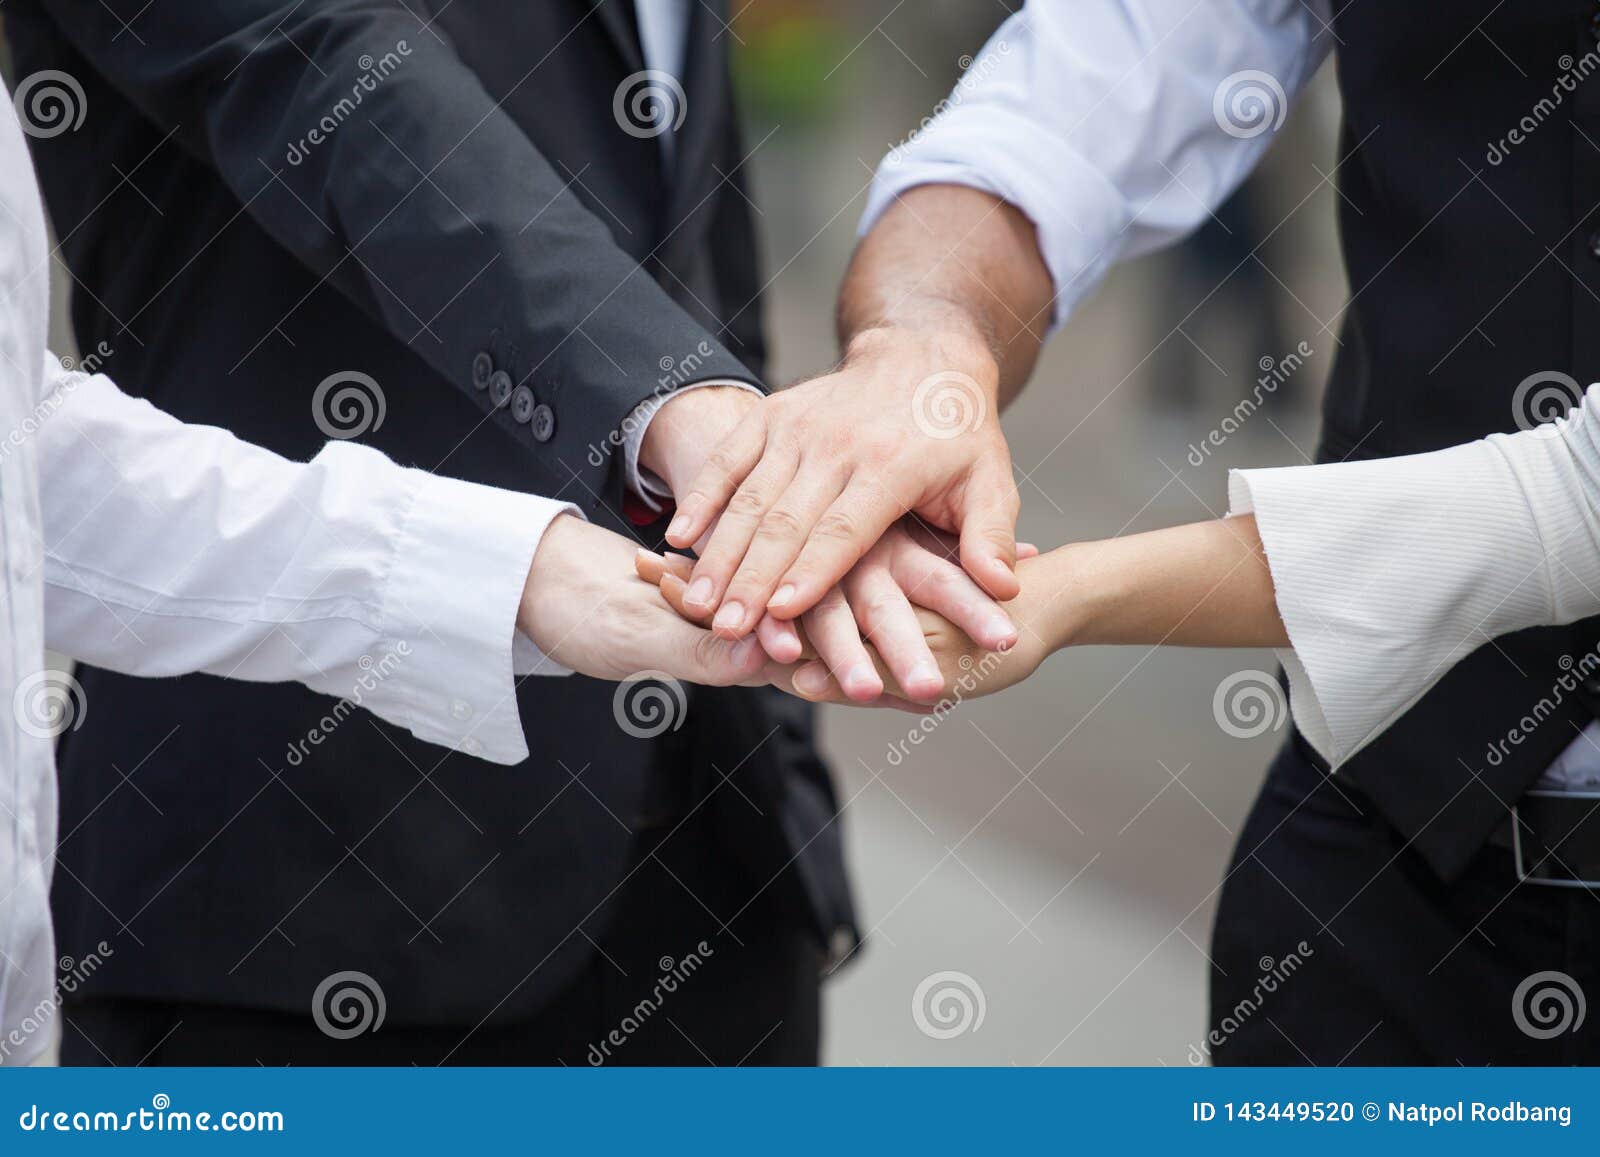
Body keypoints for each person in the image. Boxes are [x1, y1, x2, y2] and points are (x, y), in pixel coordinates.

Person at [7, 0, 1023, 1065]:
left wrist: (788, 774)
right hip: (310, 906)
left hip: (713, 863)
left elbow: (690, 234)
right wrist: (703, 423)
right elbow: (332, 73)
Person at [662, 0, 1600, 1062]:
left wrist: (1067, 594)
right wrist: (926, 341)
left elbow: (1578, 493)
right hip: (1386, 841)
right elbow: (1104, 66)